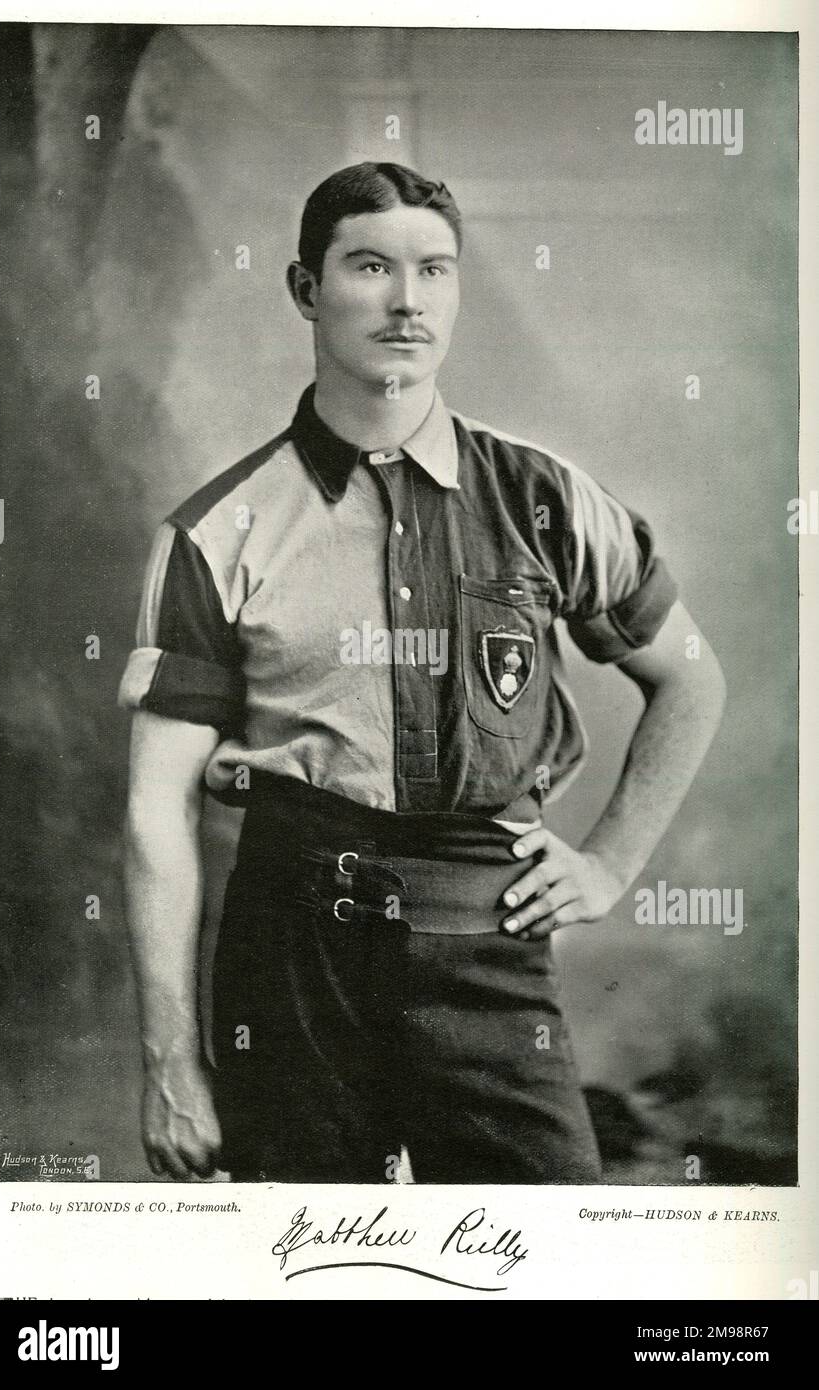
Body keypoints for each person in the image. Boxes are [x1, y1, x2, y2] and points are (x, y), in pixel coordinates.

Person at [119, 162, 726, 1183]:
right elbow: (151, 810)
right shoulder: (216, 532)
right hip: (294, 953)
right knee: (299, 1270)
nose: (406, 301)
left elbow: (690, 678)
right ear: (305, 289)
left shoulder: (544, 498)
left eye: (433, 271)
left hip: (485, 938)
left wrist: (609, 864)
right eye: (369, 267)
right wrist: (170, 1062)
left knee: (551, 1266)